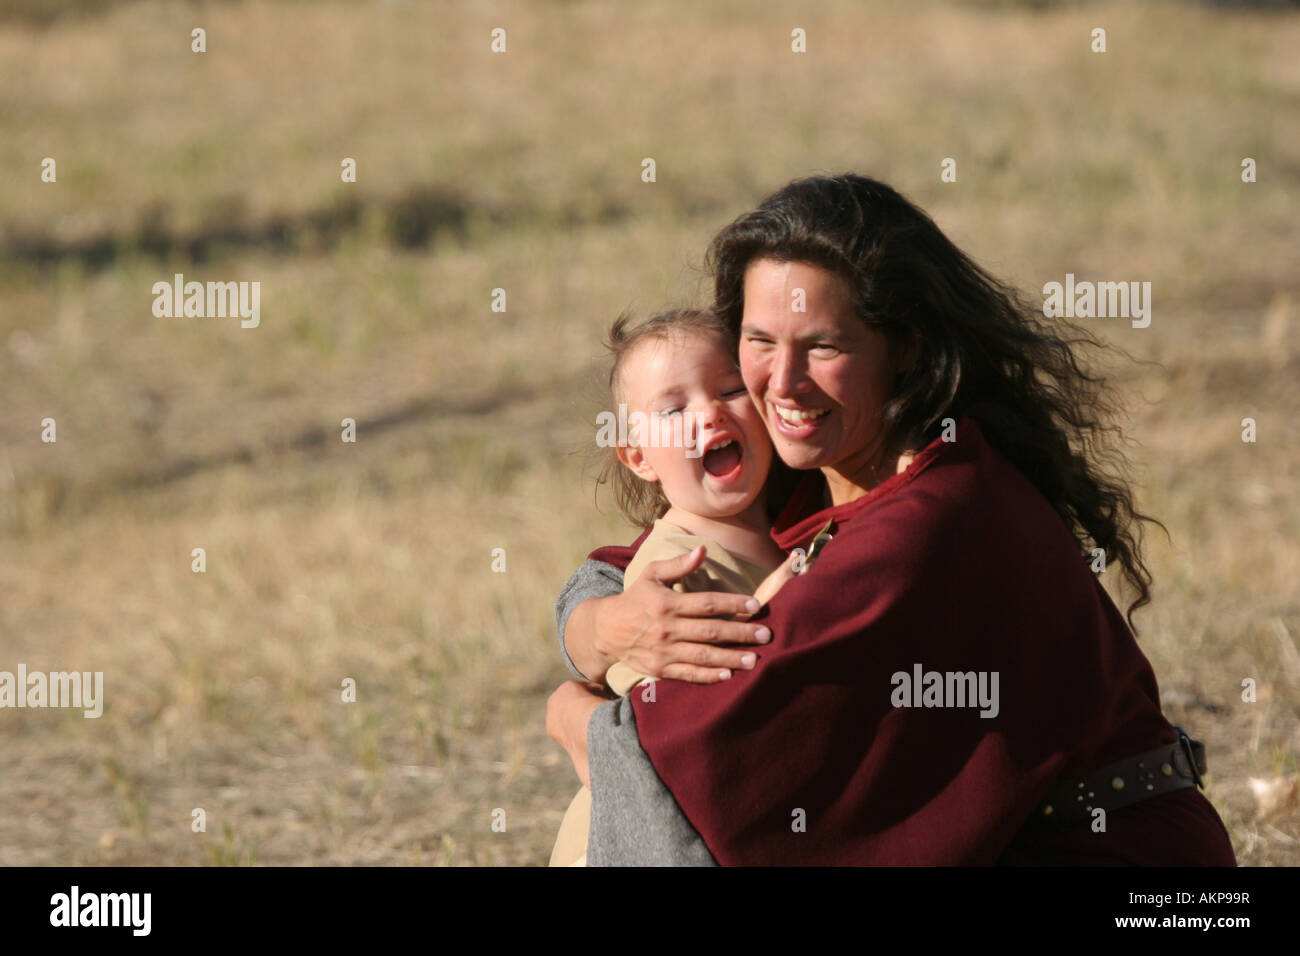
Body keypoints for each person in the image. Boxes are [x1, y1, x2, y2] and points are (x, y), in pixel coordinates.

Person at [545, 173, 1237, 865]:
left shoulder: (934, 519)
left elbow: (714, 758)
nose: (782, 384)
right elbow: (628, 561)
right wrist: (595, 629)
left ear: (903, 345)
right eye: (758, 342)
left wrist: (578, 719)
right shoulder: (823, 463)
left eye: (822, 347)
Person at [549, 307, 801, 866]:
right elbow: (661, 736)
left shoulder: (790, 521)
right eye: (674, 408)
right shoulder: (670, 573)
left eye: (731, 388)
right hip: (637, 841)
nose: (709, 413)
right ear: (638, 457)